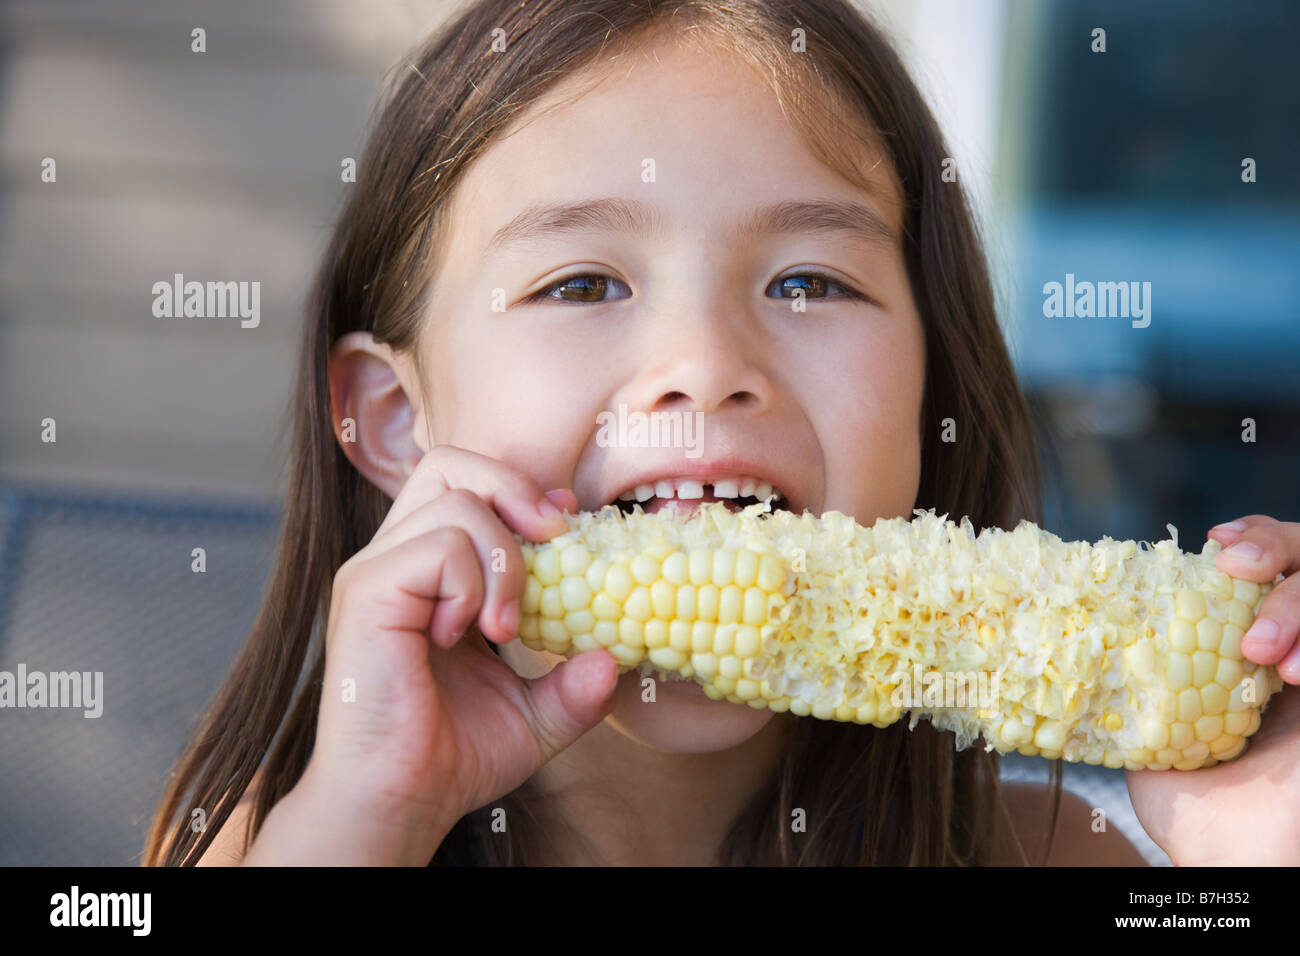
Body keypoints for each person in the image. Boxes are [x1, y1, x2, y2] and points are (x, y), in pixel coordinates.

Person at [144, 0, 1300, 867]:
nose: (703, 363)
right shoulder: (290, 837)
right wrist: (369, 821)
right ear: (398, 424)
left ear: (927, 386)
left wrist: (1252, 850)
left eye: (808, 281)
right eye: (584, 283)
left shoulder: (1046, 853)